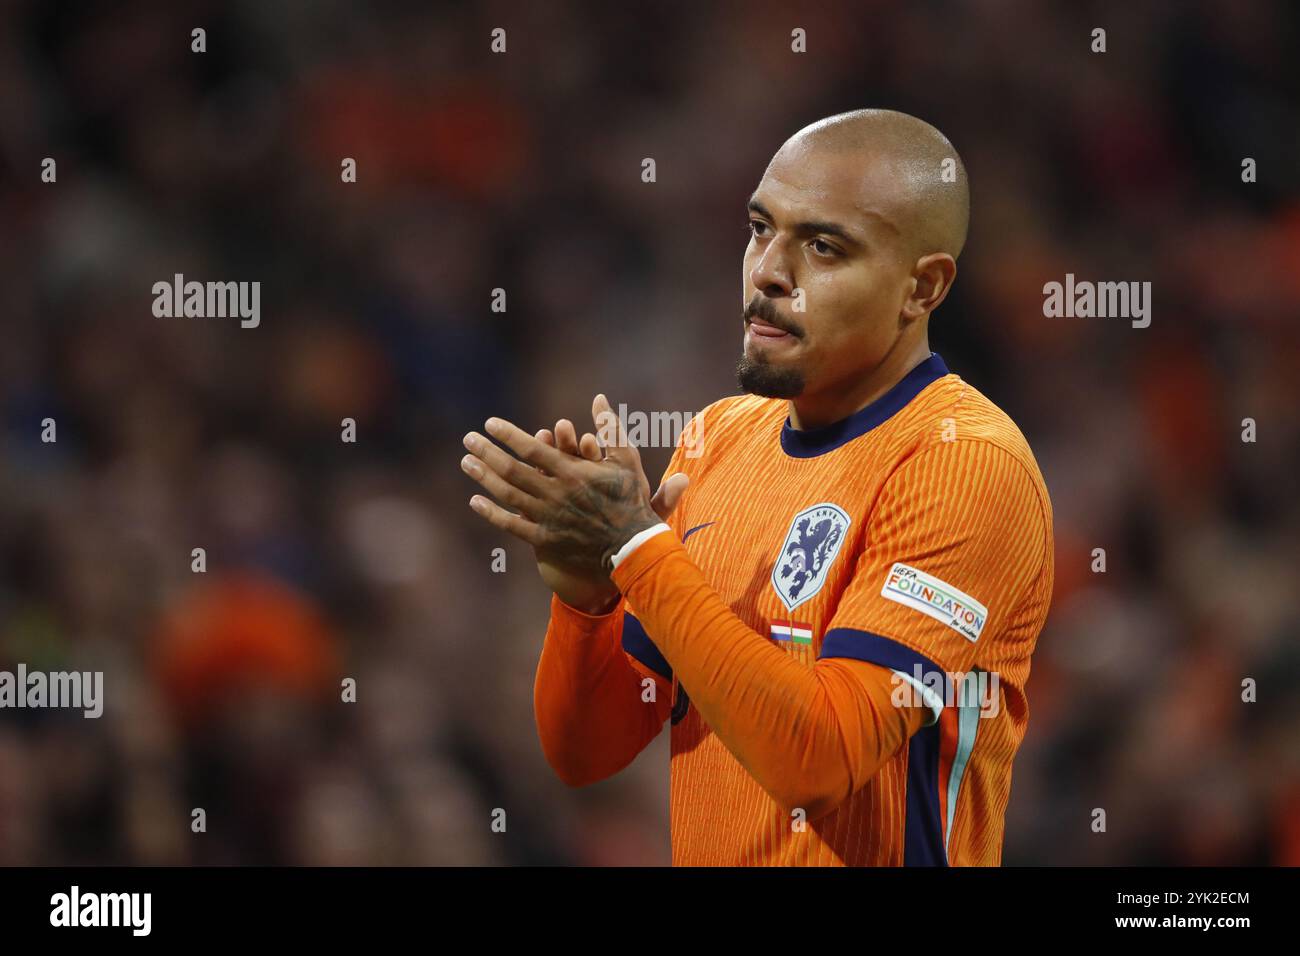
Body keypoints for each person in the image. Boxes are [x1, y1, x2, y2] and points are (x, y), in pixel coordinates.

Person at [460, 109, 1054, 865]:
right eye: (759, 228)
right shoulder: (716, 439)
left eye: (824, 246)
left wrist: (637, 549)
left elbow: (817, 763)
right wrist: (587, 597)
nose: (769, 270)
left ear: (922, 288)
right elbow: (587, 752)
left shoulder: (965, 463)